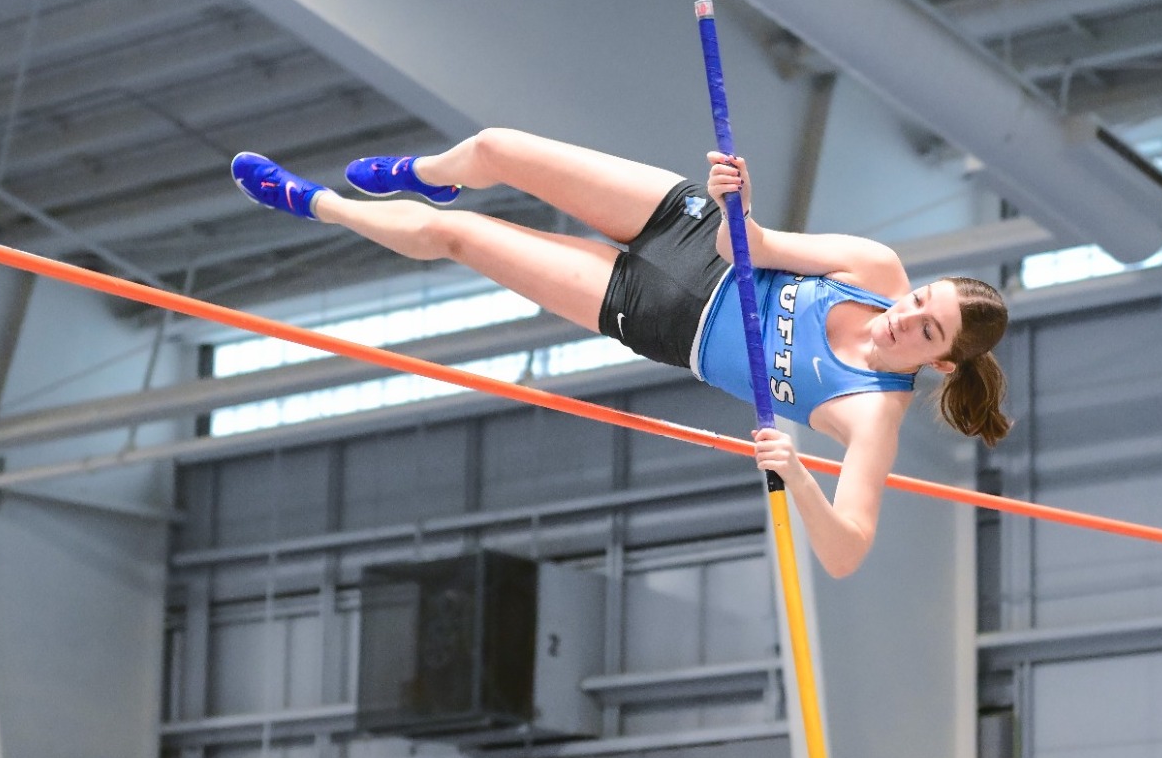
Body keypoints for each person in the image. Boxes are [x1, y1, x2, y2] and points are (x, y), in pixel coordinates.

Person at [230, 128, 1011, 577]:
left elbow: (845, 552)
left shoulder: (872, 414)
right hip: (690, 230)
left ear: (940, 362)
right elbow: (761, 244)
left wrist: (800, 475)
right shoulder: (875, 270)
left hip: (661, 315)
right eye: (919, 301)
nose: (902, 319)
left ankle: (316, 204)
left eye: (925, 330)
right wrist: (735, 198)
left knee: (455, 238)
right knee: (497, 147)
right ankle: (428, 174)